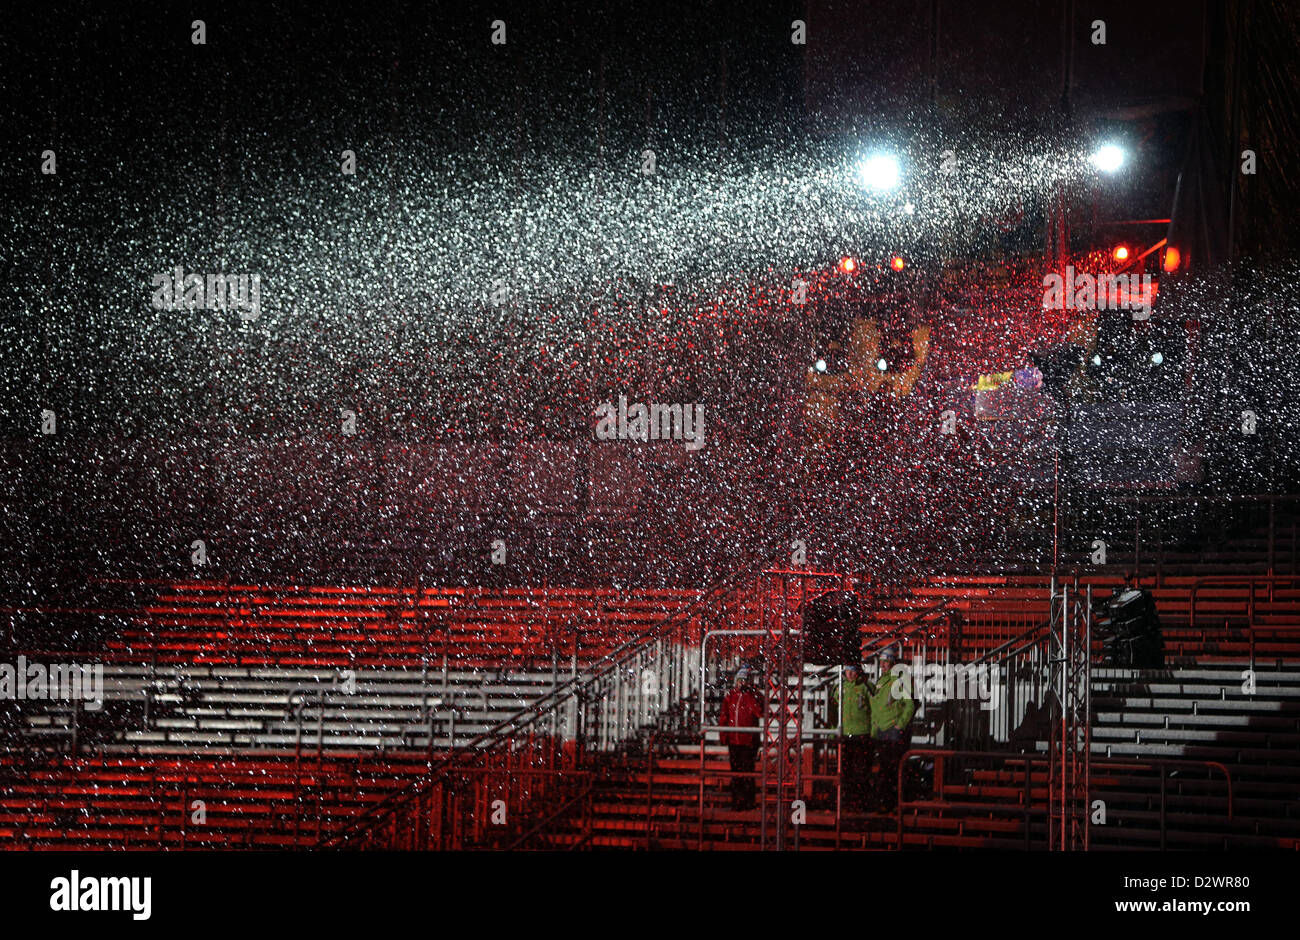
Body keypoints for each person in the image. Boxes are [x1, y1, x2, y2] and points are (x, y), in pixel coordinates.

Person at [869, 644, 915, 812]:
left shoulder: (898, 679)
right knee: (884, 770)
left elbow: (909, 705)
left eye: (885, 661)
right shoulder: (882, 681)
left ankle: (892, 804)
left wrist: (899, 725)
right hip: (881, 731)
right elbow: (876, 707)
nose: (882, 665)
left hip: (891, 732)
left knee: (891, 771)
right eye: (881, 662)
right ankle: (885, 803)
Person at [720, 667, 765, 811]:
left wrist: (751, 695)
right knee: (735, 772)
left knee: (747, 771)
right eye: (740, 680)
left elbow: (759, 712)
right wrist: (724, 735)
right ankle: (736, 801)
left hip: (748, 740)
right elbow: (724, 716)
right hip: (734, 740)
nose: (742, 683)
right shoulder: (730, 696)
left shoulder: (754, 695)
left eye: (744, 680)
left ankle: (747, 801)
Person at [830, 663, 874, 812]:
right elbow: (833, 710)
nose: (849, 674)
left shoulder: (866, 687)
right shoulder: (839, 688)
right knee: (845, 771)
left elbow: (874, 709)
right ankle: (847, 801)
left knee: (861, 771)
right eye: (847, 671)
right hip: (845, 735)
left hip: (862, 734)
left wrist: (872, 731)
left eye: (852, 671)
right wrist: (833, 730)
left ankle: (861, 802)